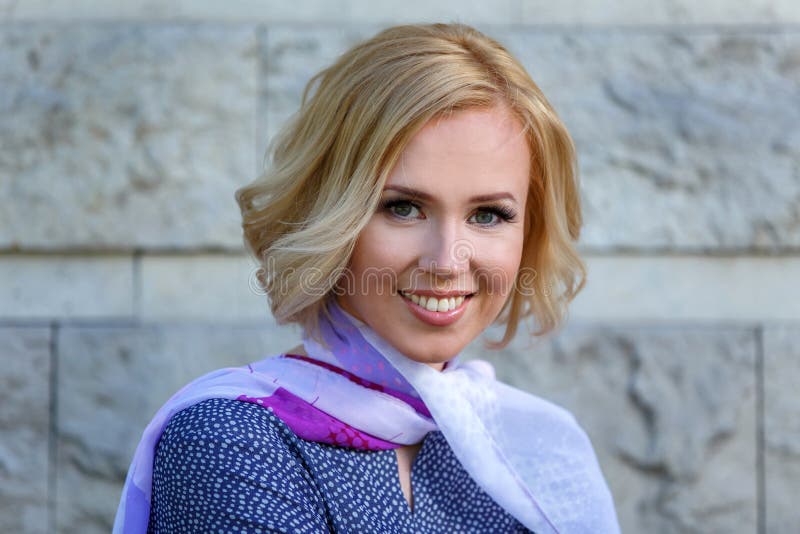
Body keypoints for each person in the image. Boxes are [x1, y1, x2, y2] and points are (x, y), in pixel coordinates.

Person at [113, 23, 620, 533]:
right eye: (402, 208)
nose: (447, 262)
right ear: (330, 215)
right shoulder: (229, 440)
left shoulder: (545, 455)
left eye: (488, 215)